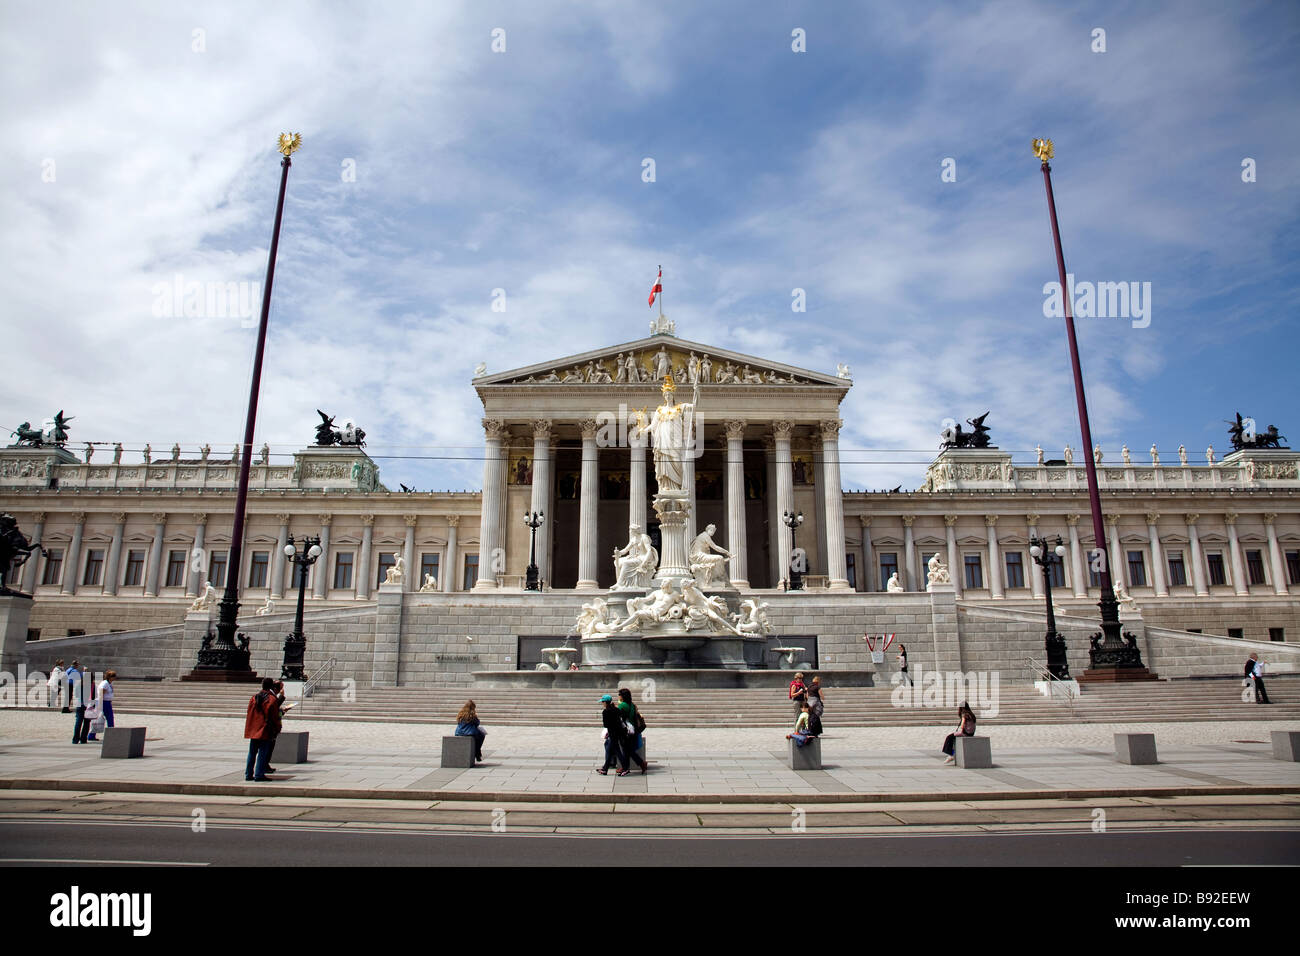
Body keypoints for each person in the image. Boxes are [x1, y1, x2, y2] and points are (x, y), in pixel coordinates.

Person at [244, 678, 281, 781]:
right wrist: (277, 727)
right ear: (271, 686)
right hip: (265, 729)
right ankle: (259, 774)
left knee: (252, 752)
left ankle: (248, 774)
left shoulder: (254, 698)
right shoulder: (271, 699)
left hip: (254, 729)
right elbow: (274, 716)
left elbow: (249, 713)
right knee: (263, 752)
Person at [616, 687, 649, 774]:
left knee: (627, 750)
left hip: (625, 730)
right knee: (627, 750)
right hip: (633, 730)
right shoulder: (632, 705)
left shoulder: (622, 705)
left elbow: (617, 717)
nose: (618, 696)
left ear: (623, 696)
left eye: (619, 694)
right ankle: (625, 767)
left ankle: (641, 763)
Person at [596, 694, 629, 776]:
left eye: (602, 702)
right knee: (611, 750)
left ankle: (625, 768)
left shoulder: (606, 712)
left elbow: (606, 725)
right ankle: (605, 769)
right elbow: (621, 718)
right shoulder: (616, 709)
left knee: (617, 752)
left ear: (605, 702)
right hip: (619, 733)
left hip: (612, 734)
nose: (602, 703)